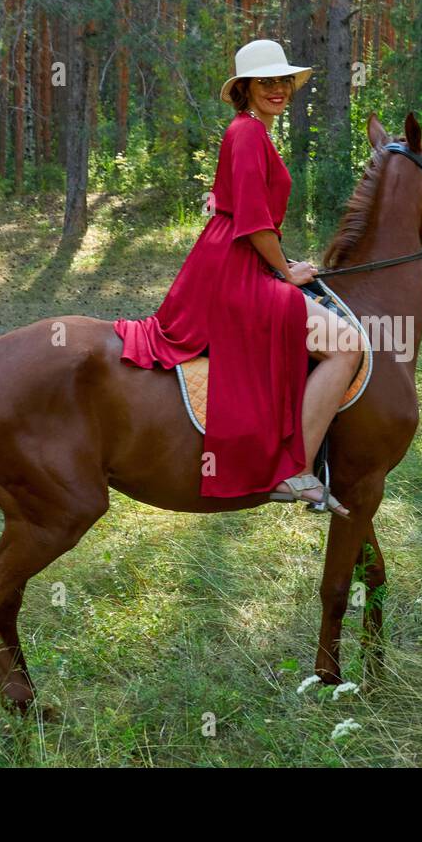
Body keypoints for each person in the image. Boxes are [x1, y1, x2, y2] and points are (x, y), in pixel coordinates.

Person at [113, 39, 361, 516]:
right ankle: (297, 473)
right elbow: (252, 220)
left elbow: (244, 210)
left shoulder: (253, 133)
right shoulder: (247, 134)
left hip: (238, 259)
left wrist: (283, 265)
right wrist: (285, 273)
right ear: (244, 88)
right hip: (235, 268)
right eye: (265, 81)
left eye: (283, 80)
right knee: (346, 346)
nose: (277, 89)